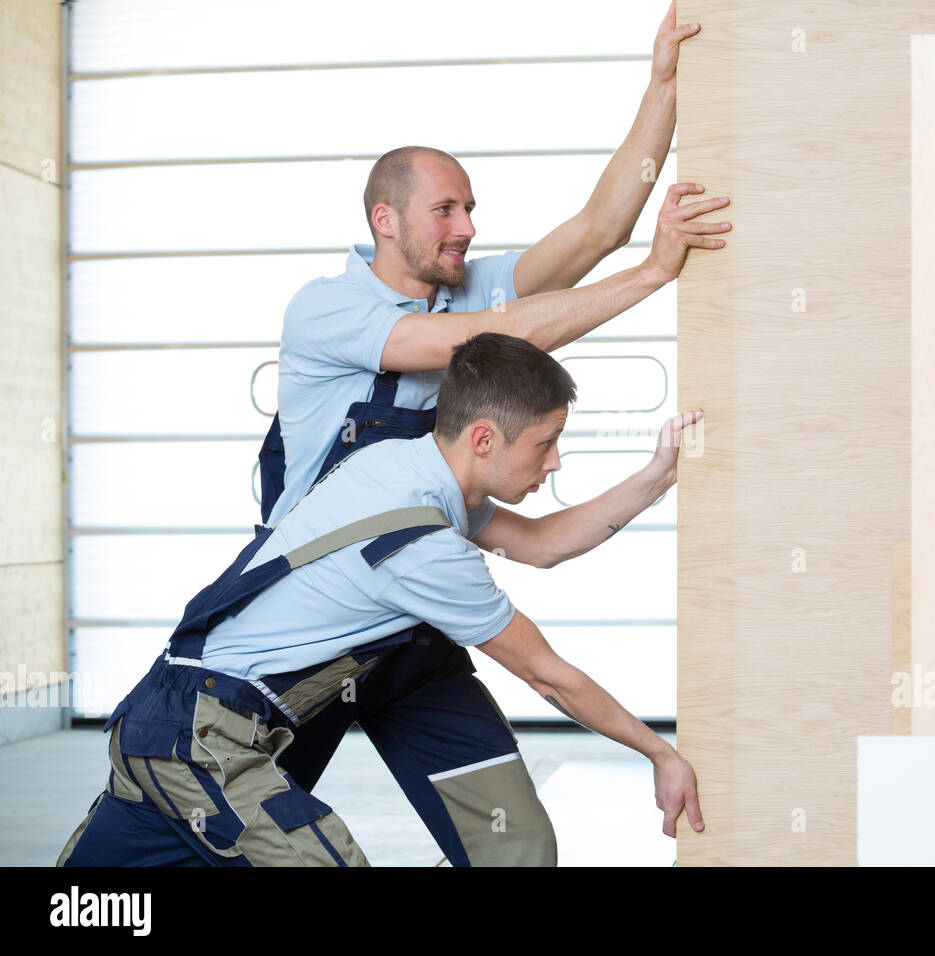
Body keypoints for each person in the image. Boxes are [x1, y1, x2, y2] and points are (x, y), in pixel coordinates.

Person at [57, 333, 705, 867]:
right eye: (545, 442)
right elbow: (548, 677)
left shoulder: (400, 467)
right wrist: (660, 752)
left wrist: (657, 475)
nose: (556, 462)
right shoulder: (421, 543)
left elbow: (540, 544)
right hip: (199, 735)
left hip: (172, 722)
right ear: (483, 439)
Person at [257, 2, 730, 528]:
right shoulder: (326, 308)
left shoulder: (472, 290)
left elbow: (600, 230)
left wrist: (663, 86)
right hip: (311, 572)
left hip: (406, 552)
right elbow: (499, 332)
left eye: (469, 210)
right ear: (385, 221)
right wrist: (652, 273)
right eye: (444, 211)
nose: (467, 229)